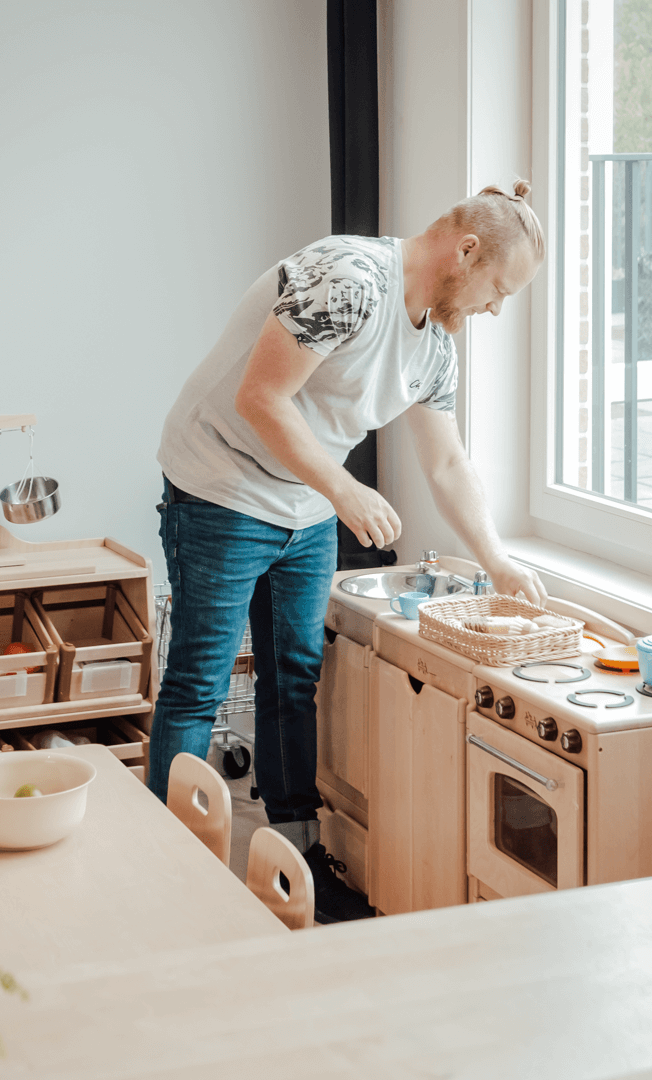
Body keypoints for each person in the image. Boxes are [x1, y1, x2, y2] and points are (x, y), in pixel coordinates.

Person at [151, 181, 548, 923]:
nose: (495, 309)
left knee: (293, 679)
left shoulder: (434, 346)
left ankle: (296, 860)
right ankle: (165, 873)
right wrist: (344, 489)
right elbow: (259, 398)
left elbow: (447, 464)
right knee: (200, 682)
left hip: (305, 502)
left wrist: (495, 557)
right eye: (499, 290)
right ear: (466, 252)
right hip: (219, 486)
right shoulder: (349, 281)